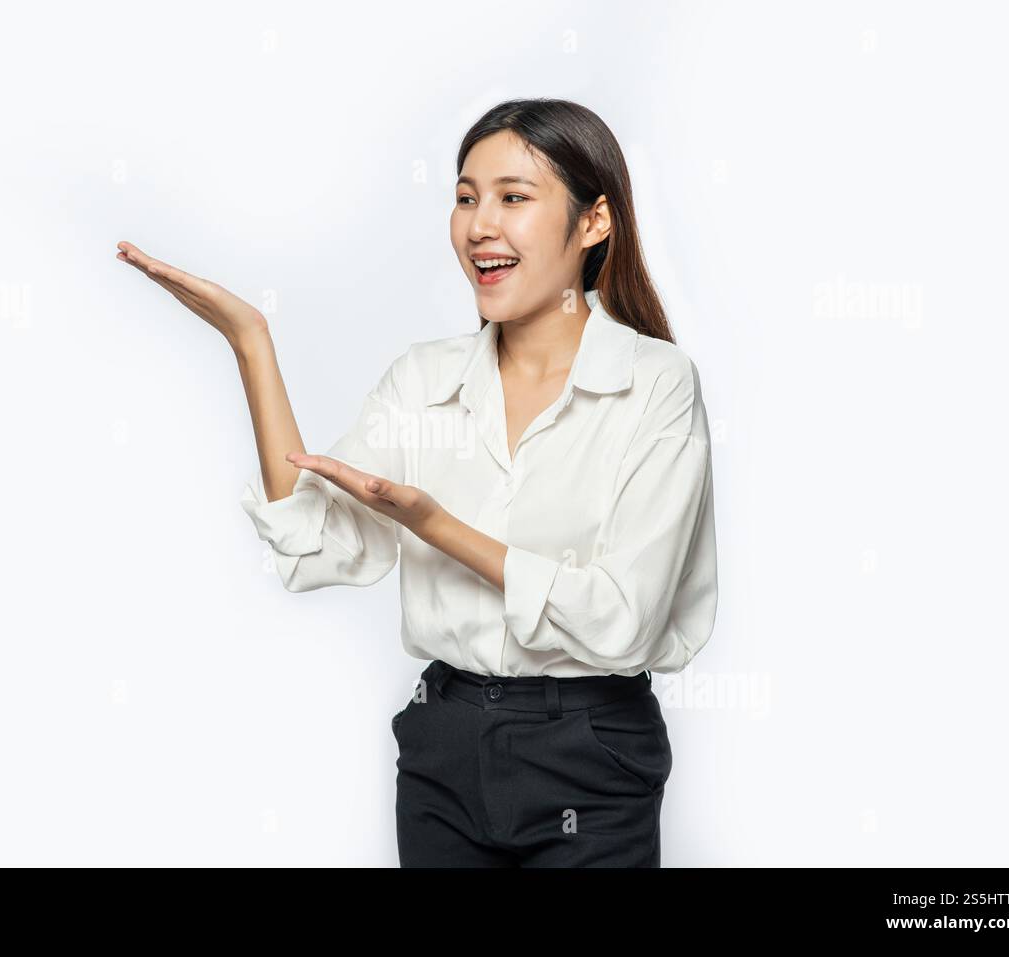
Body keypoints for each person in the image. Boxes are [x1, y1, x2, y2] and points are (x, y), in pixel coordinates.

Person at [116, 97, 718, 867]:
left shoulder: (656, 385)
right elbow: (315, 548)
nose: (479, 226)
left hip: (592, 749)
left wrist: (435, 525)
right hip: (445, 742)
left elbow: (624, 620)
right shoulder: (423, 381)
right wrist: (251, 346)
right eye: (465, 197)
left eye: (513, 197)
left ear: (594, 222)